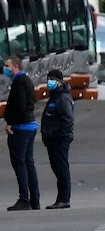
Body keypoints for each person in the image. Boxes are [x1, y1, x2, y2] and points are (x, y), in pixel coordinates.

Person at [3, 55, 40, 211]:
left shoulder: (18, 82)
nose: (4, 68)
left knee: (20, 164)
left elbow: (18, 105)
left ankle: (24, 198)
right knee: (29, 163)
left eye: (7, 65)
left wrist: (10, 122)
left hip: (21, 127)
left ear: (15, 66)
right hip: (30, 125)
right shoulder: (27, 80)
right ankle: (35, 199)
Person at [40, 70, 74, 209]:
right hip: (53, 139)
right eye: (48, 79)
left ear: (60, 81)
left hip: (59, 139)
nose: (50, 82)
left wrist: (61, 134)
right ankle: (62, 198)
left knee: (61, 169)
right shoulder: (55, 96)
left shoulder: (62, 97)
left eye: (52, 79)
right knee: (58, 169)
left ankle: (63, 199)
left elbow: (67, 118)